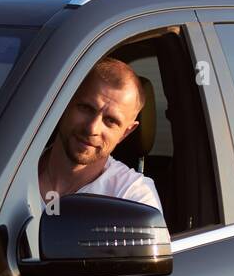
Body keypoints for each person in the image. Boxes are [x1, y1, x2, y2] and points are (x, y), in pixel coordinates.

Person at [38, 57, 162, 211]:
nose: (92, 129)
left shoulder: (133, 199)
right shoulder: (11, 166)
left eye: (110, 120)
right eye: (86, 108)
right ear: (65, 103)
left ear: (126, 132)